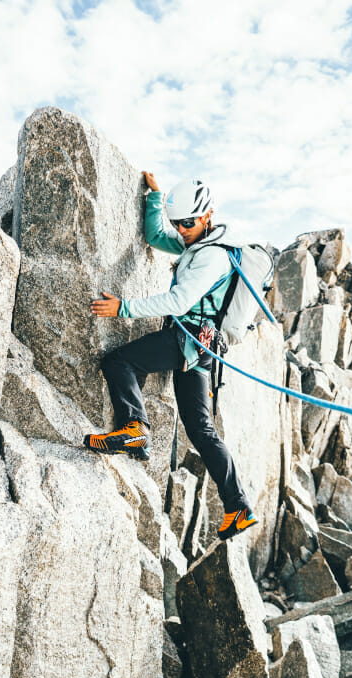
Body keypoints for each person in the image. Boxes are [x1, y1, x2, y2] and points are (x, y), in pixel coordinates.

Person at [83, 172, 256, 541]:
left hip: (188, 340)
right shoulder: (201, 245)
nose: (182, 230)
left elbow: (179, 301)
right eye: (179, 224)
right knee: (201, 431)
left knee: (119, 362)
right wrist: (156, 199)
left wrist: (123, 307)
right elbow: (157, 238)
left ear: (207, 215)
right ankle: (237, 507)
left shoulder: (210, 257)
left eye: (188, 223)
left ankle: (135, 429)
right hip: (203, 349)